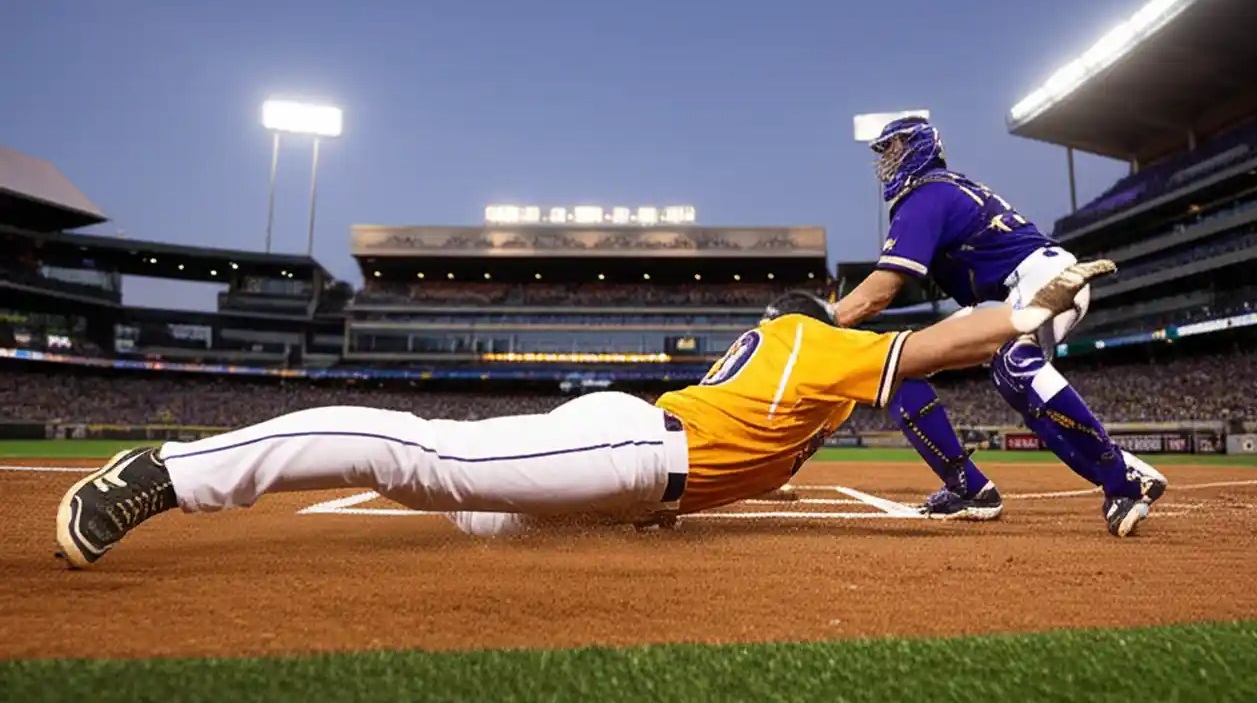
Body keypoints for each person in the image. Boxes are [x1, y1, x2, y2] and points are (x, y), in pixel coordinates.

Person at [55, 261, 1113, 568]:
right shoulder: (811, 341)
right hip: (630, 450)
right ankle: (167, 470)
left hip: (628, 469)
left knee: (474, 511)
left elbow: (780, 451)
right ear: (811, 323)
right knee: (420, 455)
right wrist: (1026, 308)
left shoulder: (790, 370)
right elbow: (939, 345)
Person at [834, 115, 1166, 537]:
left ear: (918, 147)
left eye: (894, 148)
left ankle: (1123, 480)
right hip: (1003, 299)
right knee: (897, 367)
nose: (886, 160)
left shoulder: (925, 194)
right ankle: (969, 489)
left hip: (1043, 280)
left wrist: (826, 320)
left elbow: (882, 289)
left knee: (1013, 362)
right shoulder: (941, 190)